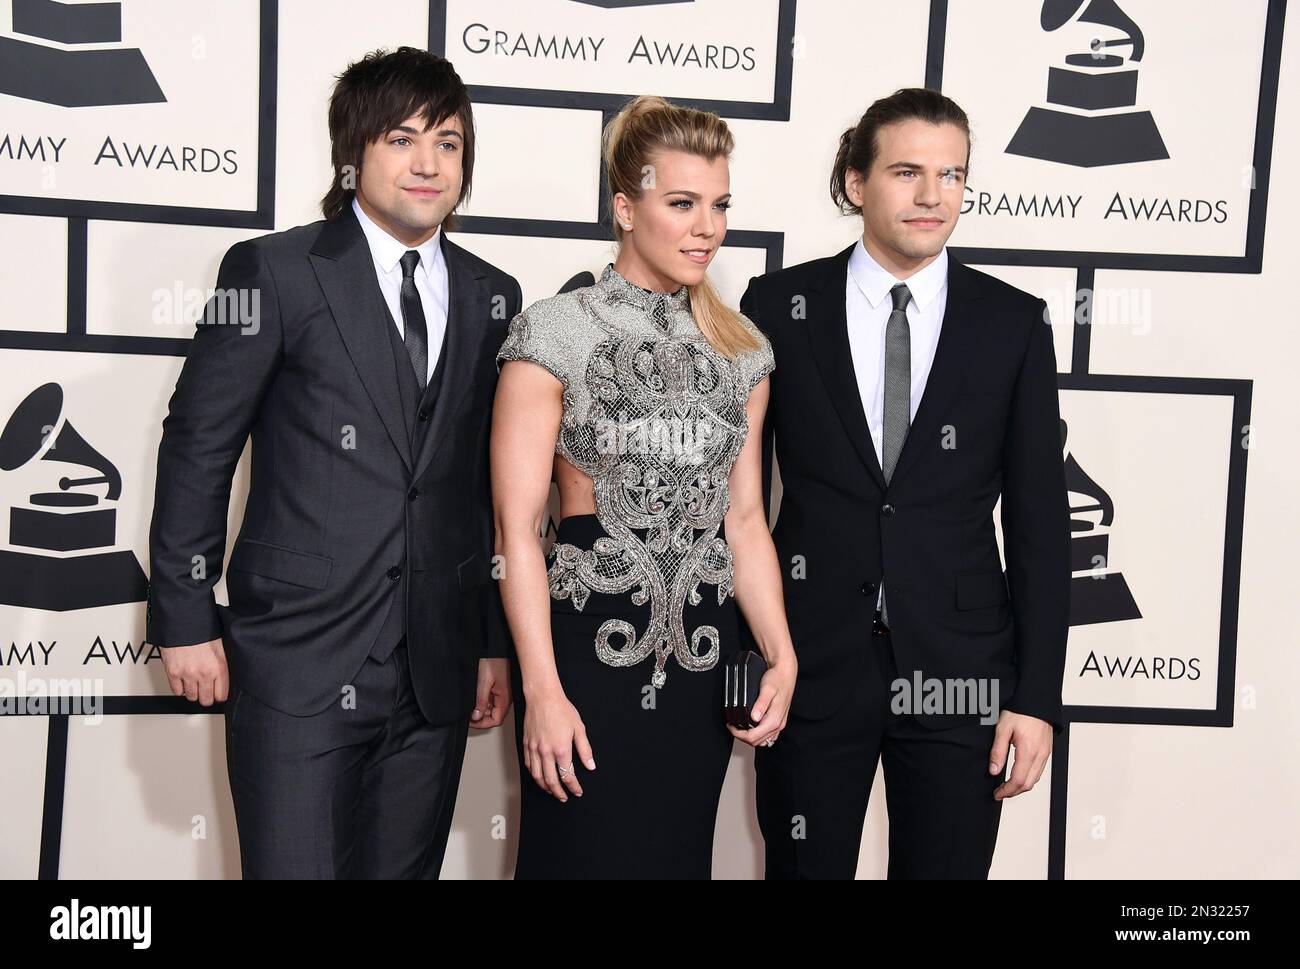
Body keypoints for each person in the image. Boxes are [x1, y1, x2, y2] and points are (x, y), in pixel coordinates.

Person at [146, 47, 519, 878]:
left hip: (434, 667)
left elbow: (480, 486)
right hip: (298, 662)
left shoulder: (496, 294)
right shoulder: (275, 271)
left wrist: (489, 641)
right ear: (352, 156)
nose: (429, 163)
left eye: (450, 143)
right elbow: (199, 444)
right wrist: (185, 617)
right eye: (402, 138)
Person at [740, 88, 1070, 879]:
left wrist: (1038, 697)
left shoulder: (1011, 321)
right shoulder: (778, 307)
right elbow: (739, 506)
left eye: (952, 174)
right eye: (907, 172)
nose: (932, 195)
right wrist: (750, 660)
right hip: (809, 661)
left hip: (961, 669)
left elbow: (1038, 523)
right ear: (857, 182)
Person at [491, 95, 798, 879]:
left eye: (721, 205)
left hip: (701, 663)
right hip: (584, 663)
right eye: (683, 204)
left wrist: (780, 651)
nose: (709, 227)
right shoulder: (554, 330)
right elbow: (519, 533)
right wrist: (542, 693)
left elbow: (746, 518)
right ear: (625, 208)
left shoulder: (743, 351)